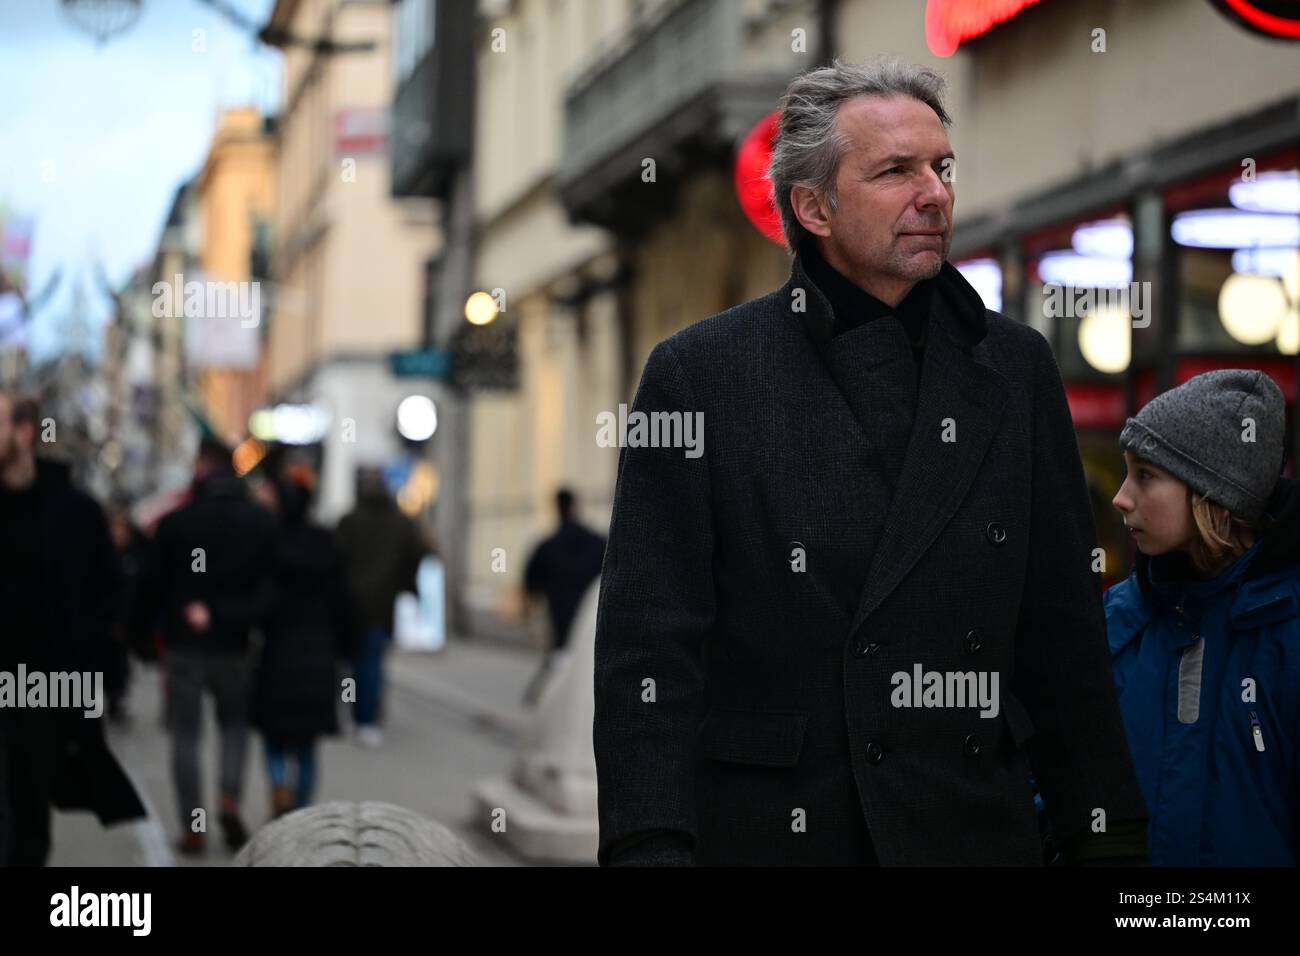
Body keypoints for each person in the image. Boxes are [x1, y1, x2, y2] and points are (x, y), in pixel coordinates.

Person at [593, 58, 1147, 866]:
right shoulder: (701, 374)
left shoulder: (1014, 366)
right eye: (896, 171)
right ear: (814, 207)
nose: (935, 194)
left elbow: (1063, 639)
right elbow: (650, 654)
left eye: (941, 166)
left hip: (969, 830)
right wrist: (650, 848)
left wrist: (1108, 838)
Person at [1107, 369, 1299, 865]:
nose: (1121, 497)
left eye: (1146, 475)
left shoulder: (1287, 633)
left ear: (1213, 494)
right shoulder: (1117, 622)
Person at [0, 392, 144, 866]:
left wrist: (93, 670)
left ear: (23, 432)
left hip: (43, 692)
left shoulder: (74, 512)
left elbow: (107, 597)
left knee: (29, 821)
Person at [141, 437, 276, 855]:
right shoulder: (258, 522)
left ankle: (192, 825)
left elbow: (152, 587)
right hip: (235, 645)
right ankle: (229, 799)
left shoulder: (177, 522)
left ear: (200, 465)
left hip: (185, 645)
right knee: (234, 726)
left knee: (186, 733)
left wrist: (152, 632)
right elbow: (270, 591)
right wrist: (232, 616)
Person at [252, 466, 354, 817]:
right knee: (308, 745)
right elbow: (345, 603)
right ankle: (302, 811)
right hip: (320, 655)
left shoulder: (270, 545)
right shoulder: (329, 545)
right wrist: (346, 650)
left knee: (274, 736)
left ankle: (280, 783)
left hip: (278, 654)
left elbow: (260, 604)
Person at [335, 466, 430, 749]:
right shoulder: (400, 523)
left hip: (352, 604)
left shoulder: (350, 521)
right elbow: (416, 555)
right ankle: (369, 718)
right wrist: (405, 585)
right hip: (383, 602)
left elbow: (337, 560)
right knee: (373, 660)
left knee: (356, 662)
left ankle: (358, 714)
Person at [520, 488, 606, 706]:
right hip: (591, 618)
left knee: (560, 658)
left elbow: (531, 584)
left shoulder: (548, 546)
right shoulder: (597, 543)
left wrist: (530, 615)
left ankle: (548, 703)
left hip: (562, 617)